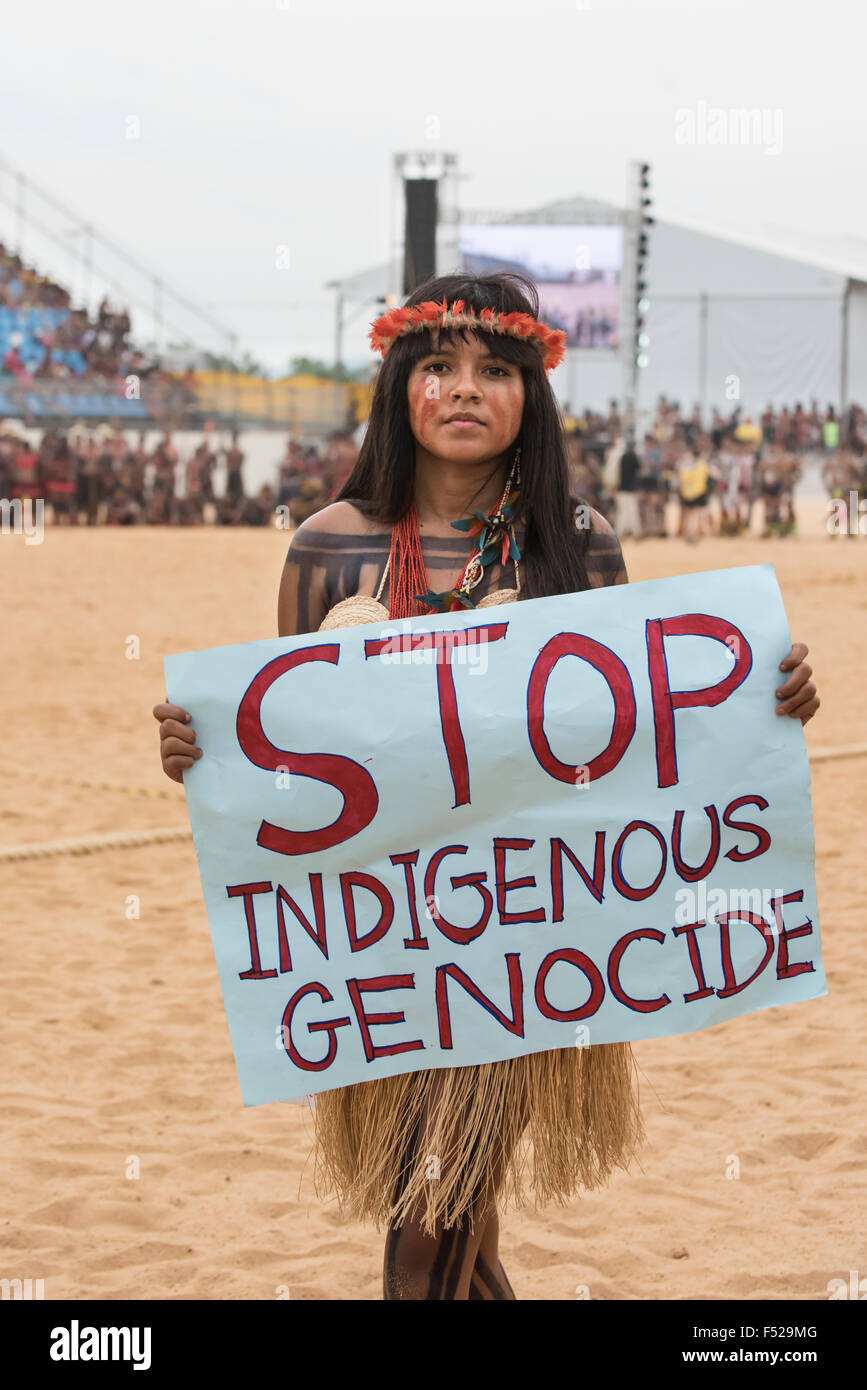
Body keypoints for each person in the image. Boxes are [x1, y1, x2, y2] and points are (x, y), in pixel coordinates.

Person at [152, 272, 822, 1300]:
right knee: (462, 1227)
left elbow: (644, 734)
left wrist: (761, 702)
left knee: (429, 1223)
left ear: (531, 393)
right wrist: (205, 753)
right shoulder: (327, 546)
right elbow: (289, 751)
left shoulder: (580, 543)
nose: (465, 389)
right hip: (391, 939)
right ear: (399, 386)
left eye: (494, 370)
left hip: (519, 940)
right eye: (438, 367)